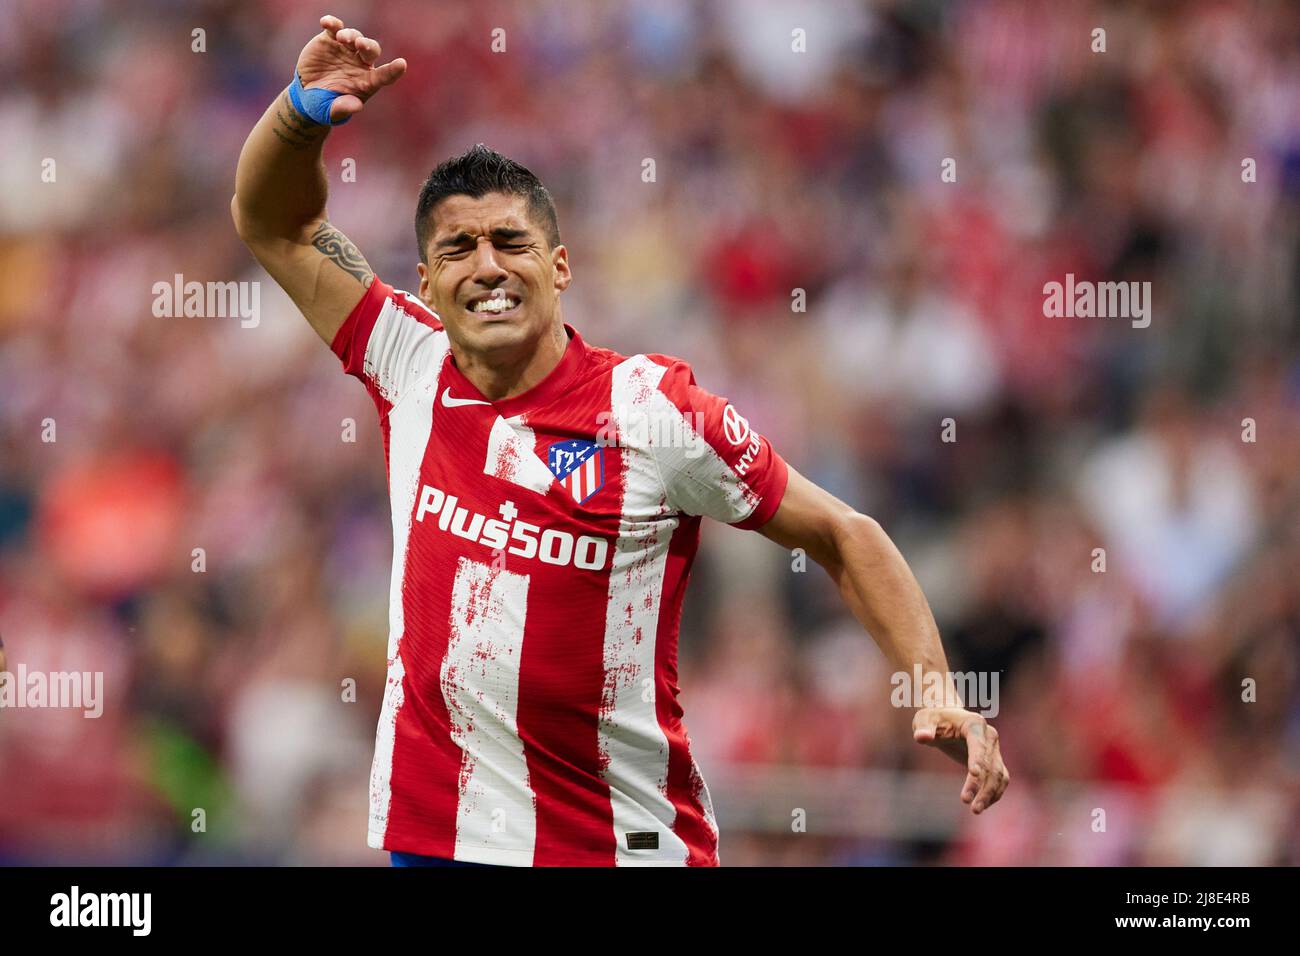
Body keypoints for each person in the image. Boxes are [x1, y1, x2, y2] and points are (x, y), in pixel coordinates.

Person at [231, 14, 1009, 867]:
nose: (486, 266)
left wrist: (934, 685)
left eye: (510, 242)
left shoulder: (651, 411)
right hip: (438, 841)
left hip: (617, 847)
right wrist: (301, 111)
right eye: (457, 248)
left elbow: (842, 534)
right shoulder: (405, 355)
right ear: (427, 279)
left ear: (559, 266)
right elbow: (274, 223)